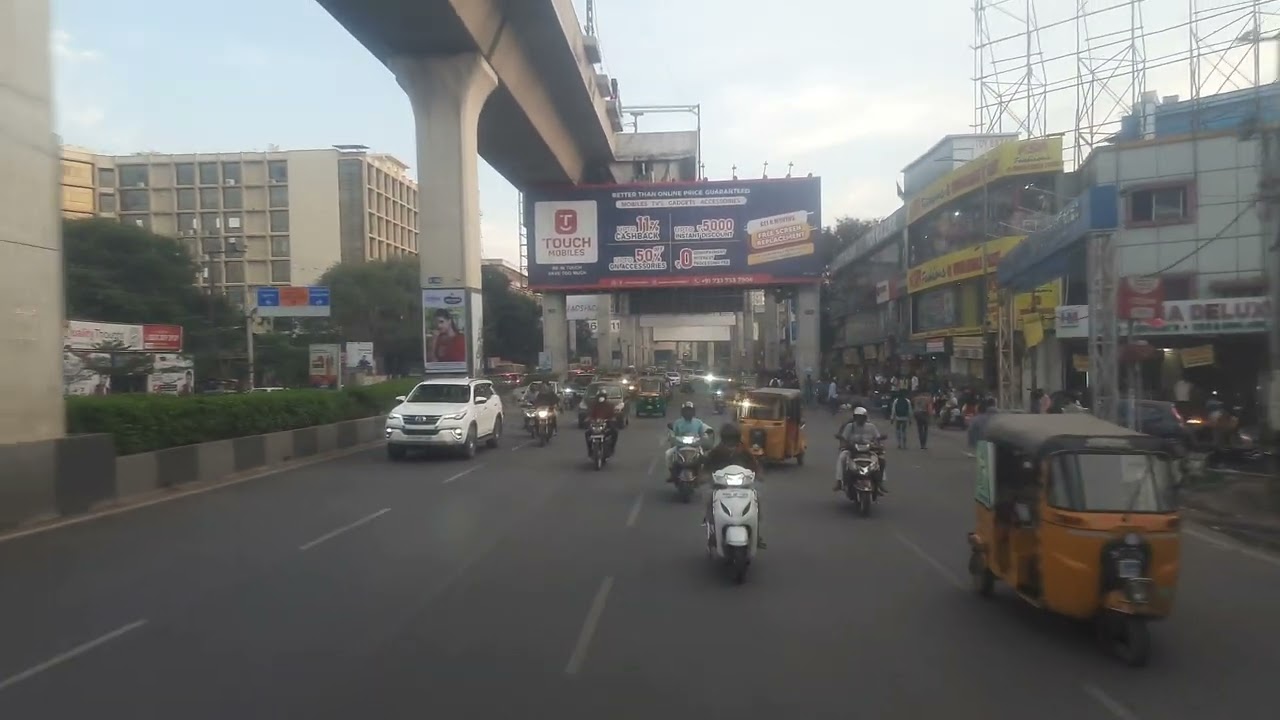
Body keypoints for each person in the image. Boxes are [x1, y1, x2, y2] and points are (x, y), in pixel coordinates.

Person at [702, 423, 767, 549]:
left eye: (733, 439)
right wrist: (704, 477)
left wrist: (759, 474)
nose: (730, 442)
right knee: (708, 496)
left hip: (743, 487)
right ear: (723, 439)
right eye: (728, 439)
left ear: (737, 439)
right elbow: (706, 469)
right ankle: (713, 528)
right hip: (720, 487)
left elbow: (755, 466)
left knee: (757, 496)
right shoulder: (716, 452)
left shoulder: (744, 451)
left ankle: (756, 533)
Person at [834, 406, 887, 494]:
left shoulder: (871, 427)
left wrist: (879, 444)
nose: (860, 419)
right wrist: (844, 445)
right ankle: (839, 481)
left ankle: (880, 482)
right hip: (853, 450)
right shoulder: (849, 427)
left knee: (881, 459)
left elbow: (877, 438)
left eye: (862, 417)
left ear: (865, 417)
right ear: (854, 417)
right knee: (842, 457)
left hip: (869, 450)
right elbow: (843, 438)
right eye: (858, 417)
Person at [666, 401, 713, 480]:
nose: (688, 412)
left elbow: (703, 433)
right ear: (682, 412)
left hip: (695, 446)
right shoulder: (677, 422)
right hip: (680, 445)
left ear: (693, 412)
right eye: (686, 410)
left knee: (703, 457)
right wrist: (671, 437)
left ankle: (701, 474)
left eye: (690, 410)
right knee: (668, 454)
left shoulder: (698, 422)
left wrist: (705, 436)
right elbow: (673, 434)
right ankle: (672, 473)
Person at [583, 390, 618, 454]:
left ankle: (612, 447)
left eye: (602, 396)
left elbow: (613, 415)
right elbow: (591, 414)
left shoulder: (610, 405)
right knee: (587, 433)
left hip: (606, 424)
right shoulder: (594, 405)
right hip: (596, 425)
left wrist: (611, 419)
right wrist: (589, 419)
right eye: (600, 396)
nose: (601, 398)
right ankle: (590, 449)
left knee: (614, 432)